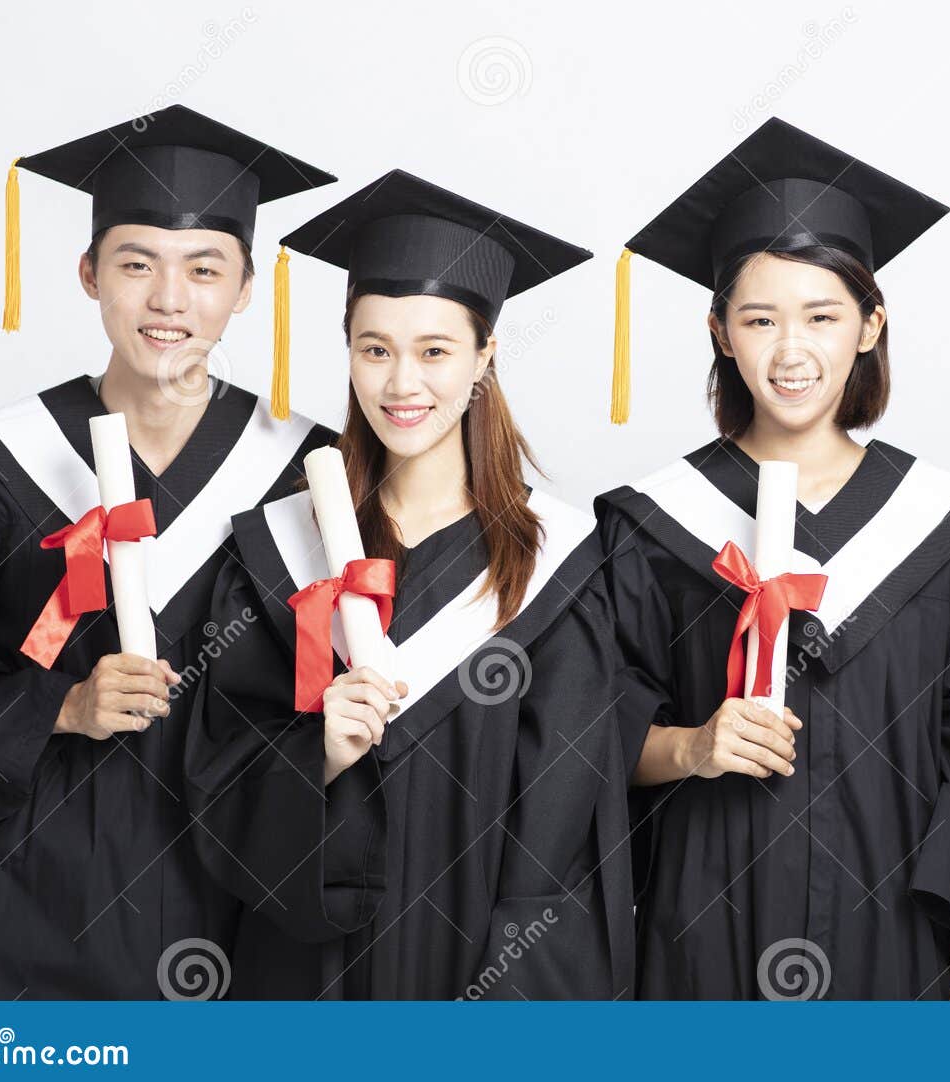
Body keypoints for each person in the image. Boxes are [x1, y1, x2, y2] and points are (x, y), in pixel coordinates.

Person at [0, 105, 338, 998]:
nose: (167, 299)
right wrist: (61, 706)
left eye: (203, 269)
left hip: (239, 902)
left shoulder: (309, 475)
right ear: (88, 273)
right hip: (37, 902)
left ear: (245, 287)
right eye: (135, 262)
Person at [598, 118, 950, 999]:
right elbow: (588, 743)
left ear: (870, 326)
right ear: (721, 331)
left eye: (823, 316)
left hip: (902, 957)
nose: (791, 351)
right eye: (759, 318)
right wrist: (692, 744)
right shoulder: (650, 529)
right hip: (701, 950)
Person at [185, 171, 635, 999]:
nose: (402, 384)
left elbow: (566, 824)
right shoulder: (281, 551)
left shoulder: (561, 565)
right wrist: (314, 753)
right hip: (306, 976)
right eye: (375, 348)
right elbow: (217, 776)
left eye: (435, 351)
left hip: (483, 980)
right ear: (348, 350)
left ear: (484, 358)